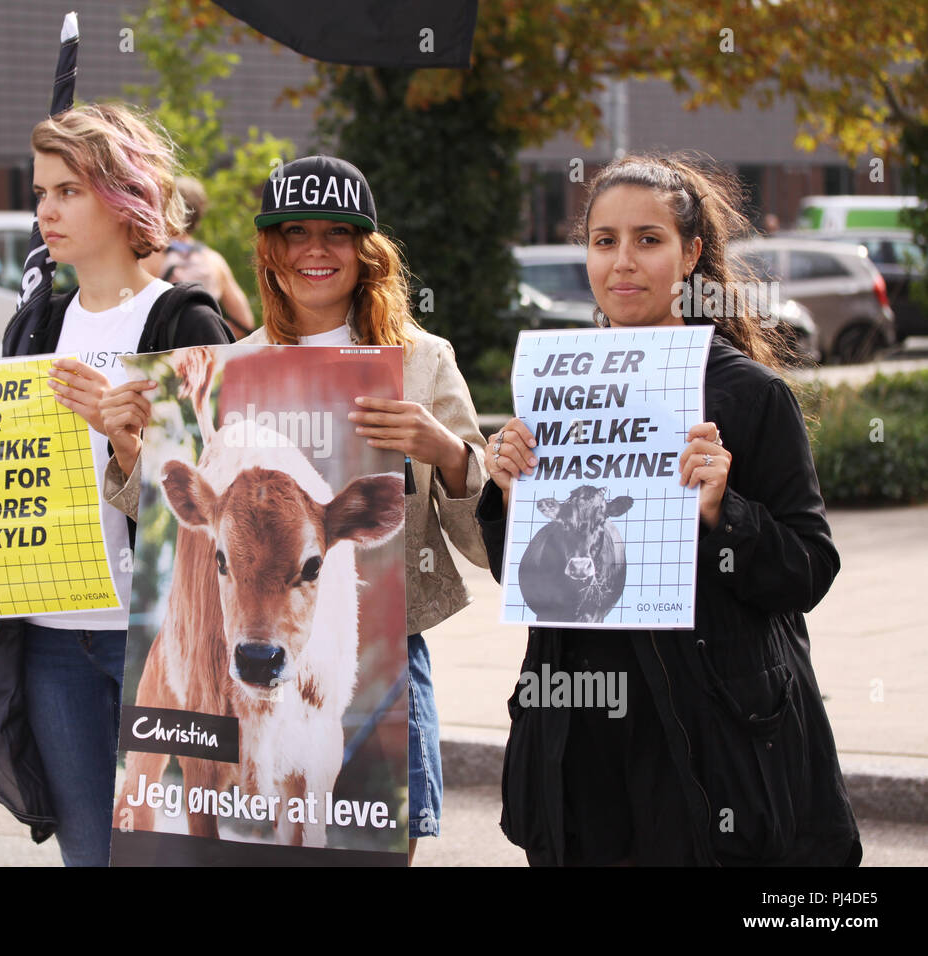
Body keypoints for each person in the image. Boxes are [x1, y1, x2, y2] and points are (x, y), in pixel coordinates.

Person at [100, 155, 489, 863]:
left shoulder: (423, 360)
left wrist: (452, 454)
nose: (315, 250)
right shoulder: (228, 366)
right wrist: (129, 451)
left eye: (336, 233)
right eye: (294, 232)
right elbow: (163, 518)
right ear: (270, 253)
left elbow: (485, 543)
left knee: (373, 852)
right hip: (235, 663)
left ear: (366, 250)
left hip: (383, 665)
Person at [477, 154, 861, 866]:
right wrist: (507, 494)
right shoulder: (559, 387)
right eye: (604, 241)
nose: (624, 262)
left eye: (649, 240)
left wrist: (728, 513)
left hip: (710, 741)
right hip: (580, 741)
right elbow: (523, 579)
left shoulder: (749, 397)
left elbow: (808, 570)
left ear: (690, 255)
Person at [0, 103, 233, 867]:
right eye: (41, 191)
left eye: (68, 190)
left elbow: (218, 508)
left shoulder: (184, 319)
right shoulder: (34, 325)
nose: (46, 209)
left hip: (158, 642)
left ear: (124, 194)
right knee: (91, 855)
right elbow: (14, 482)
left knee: (179, 854)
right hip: (47, 642)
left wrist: (126, 442)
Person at [143, 176, 255, 337]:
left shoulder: (150, 255)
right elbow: (245, 322)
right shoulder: (215, 261)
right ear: (200, 213)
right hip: (206, 354)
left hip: (165, 356)